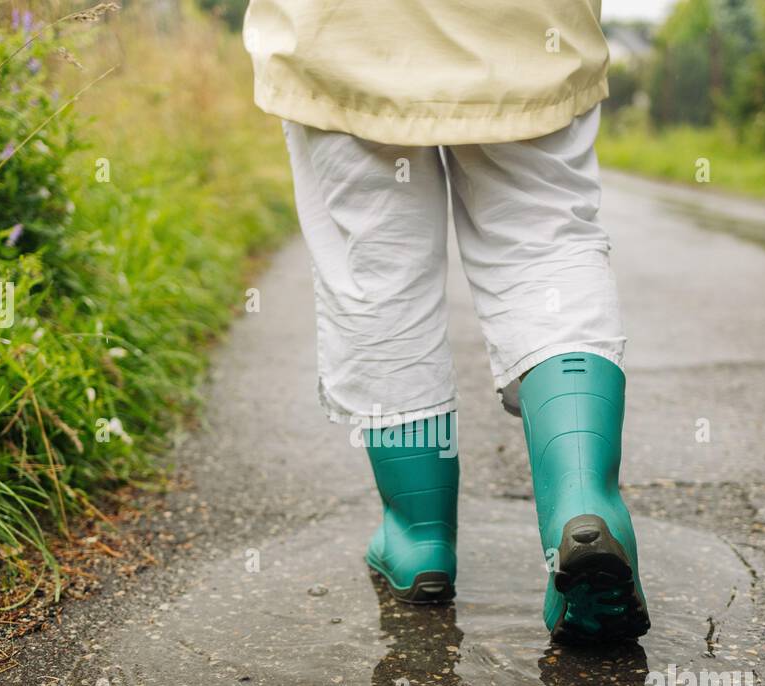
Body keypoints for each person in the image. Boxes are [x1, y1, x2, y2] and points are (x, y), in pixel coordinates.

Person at [243, 0, 649, 642]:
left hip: (350, 30)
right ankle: (583, 501)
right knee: (544, 242)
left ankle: (420, 536)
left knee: (377, 267)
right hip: (522, 26)